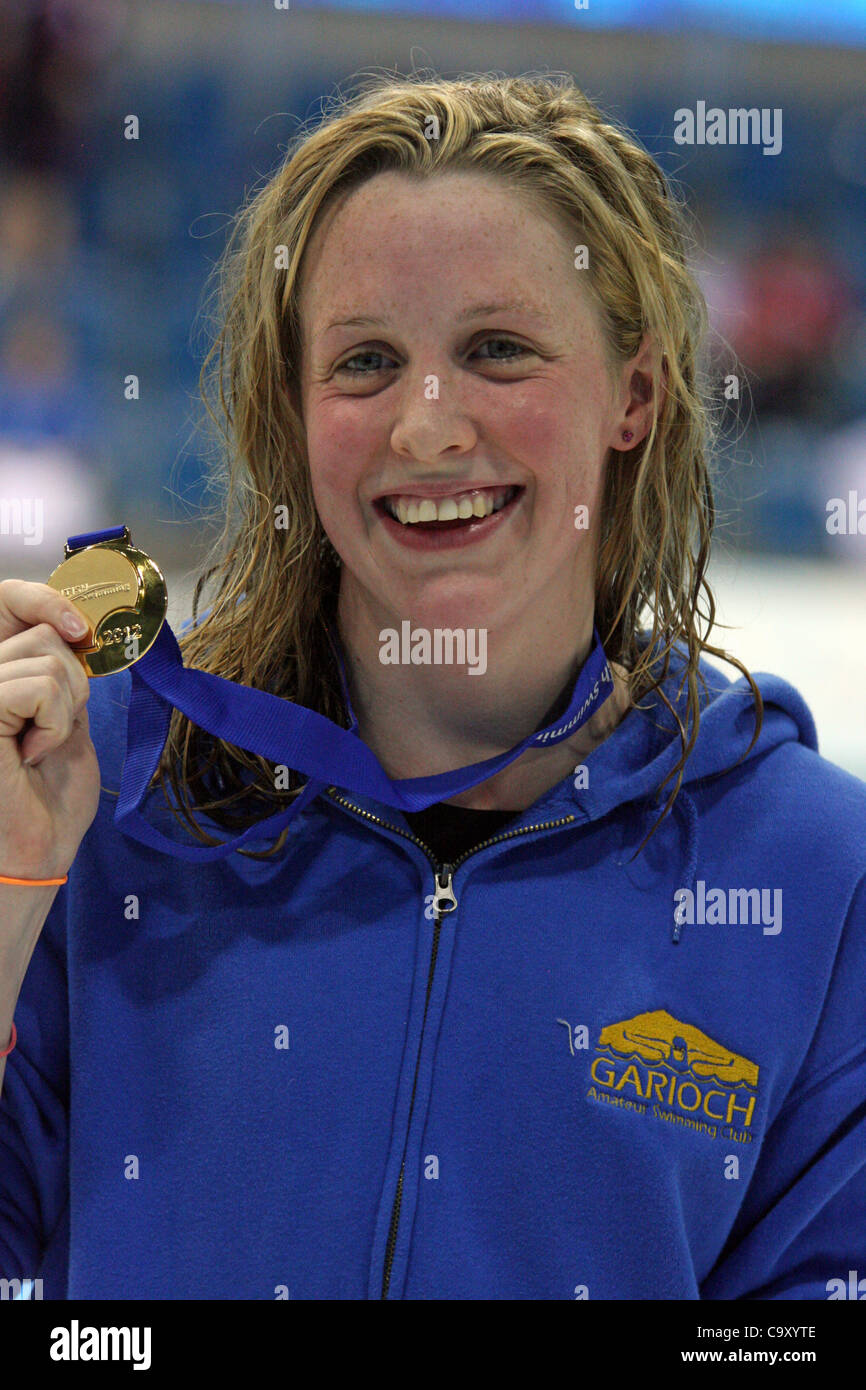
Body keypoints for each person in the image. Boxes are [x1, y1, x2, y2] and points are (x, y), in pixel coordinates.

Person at [0, 73, 864, 1302]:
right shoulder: (98, 791)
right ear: (293, 419)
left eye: (496, 349)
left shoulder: (815, 878)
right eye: (363, 362)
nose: (425, 426)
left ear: (634, 396)